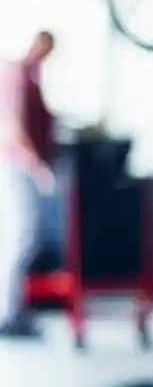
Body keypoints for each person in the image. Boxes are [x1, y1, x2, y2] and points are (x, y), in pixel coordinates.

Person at [0, 30, 56, 339]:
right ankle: (8, 313)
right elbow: (14, 127)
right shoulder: (19, 76)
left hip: (22, 164)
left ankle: (15, 310)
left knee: (23, 237)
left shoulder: (31, 77)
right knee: (21, 237)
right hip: (18, 164)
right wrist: (37, 166)